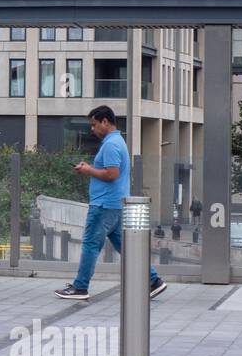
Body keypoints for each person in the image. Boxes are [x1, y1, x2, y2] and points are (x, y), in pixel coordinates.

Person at [55, 105, 167, 301]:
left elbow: (111, 174)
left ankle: (80, 287)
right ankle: (153, 281)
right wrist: (88, 168)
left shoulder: (111, 145)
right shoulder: (117, 141)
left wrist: (88, 170)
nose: (92, 129)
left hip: (104, 205)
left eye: (94, 124)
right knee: (127, 247)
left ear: (105, 122)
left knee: (90, 244)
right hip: (115, 204)